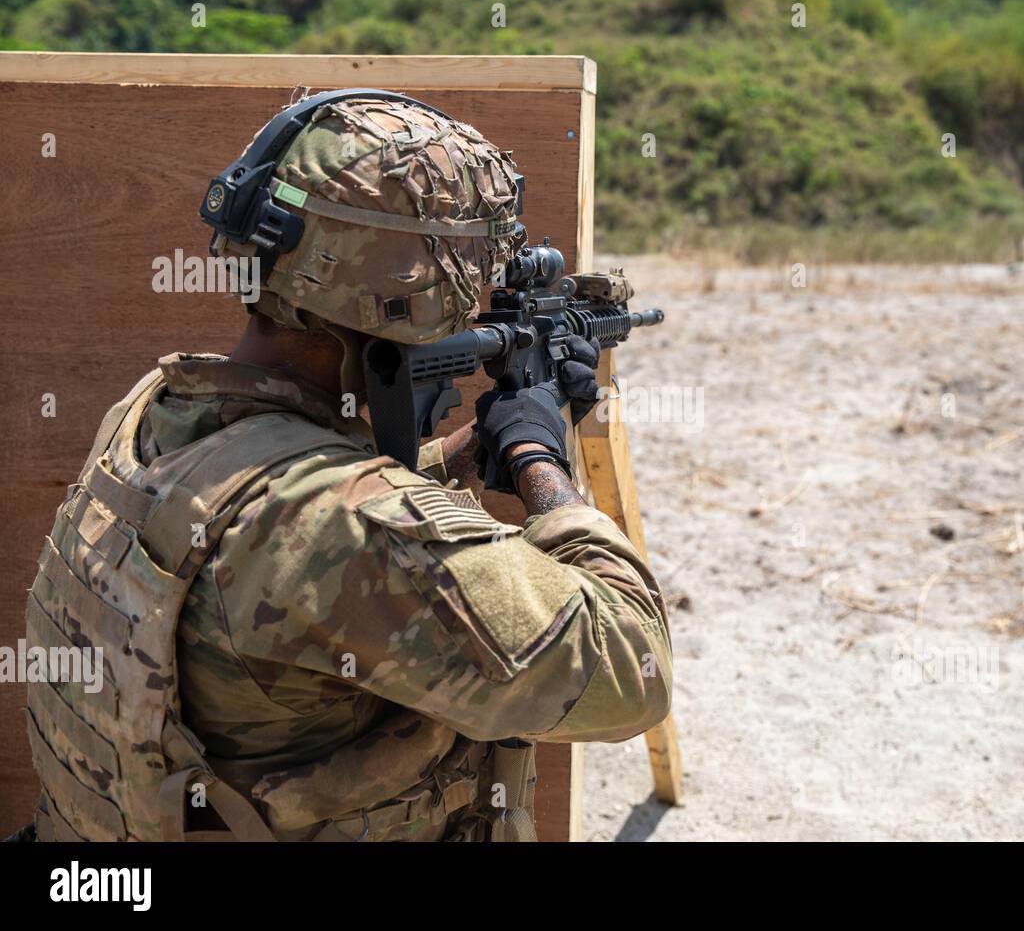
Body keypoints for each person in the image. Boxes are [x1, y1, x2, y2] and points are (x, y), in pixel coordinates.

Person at [20, 92, 671, 843]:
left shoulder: (156, 413)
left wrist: (464, 452)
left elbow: (311, 529)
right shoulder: (343, 525)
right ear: (406, 291)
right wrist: (537, 456)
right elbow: (634, 670)